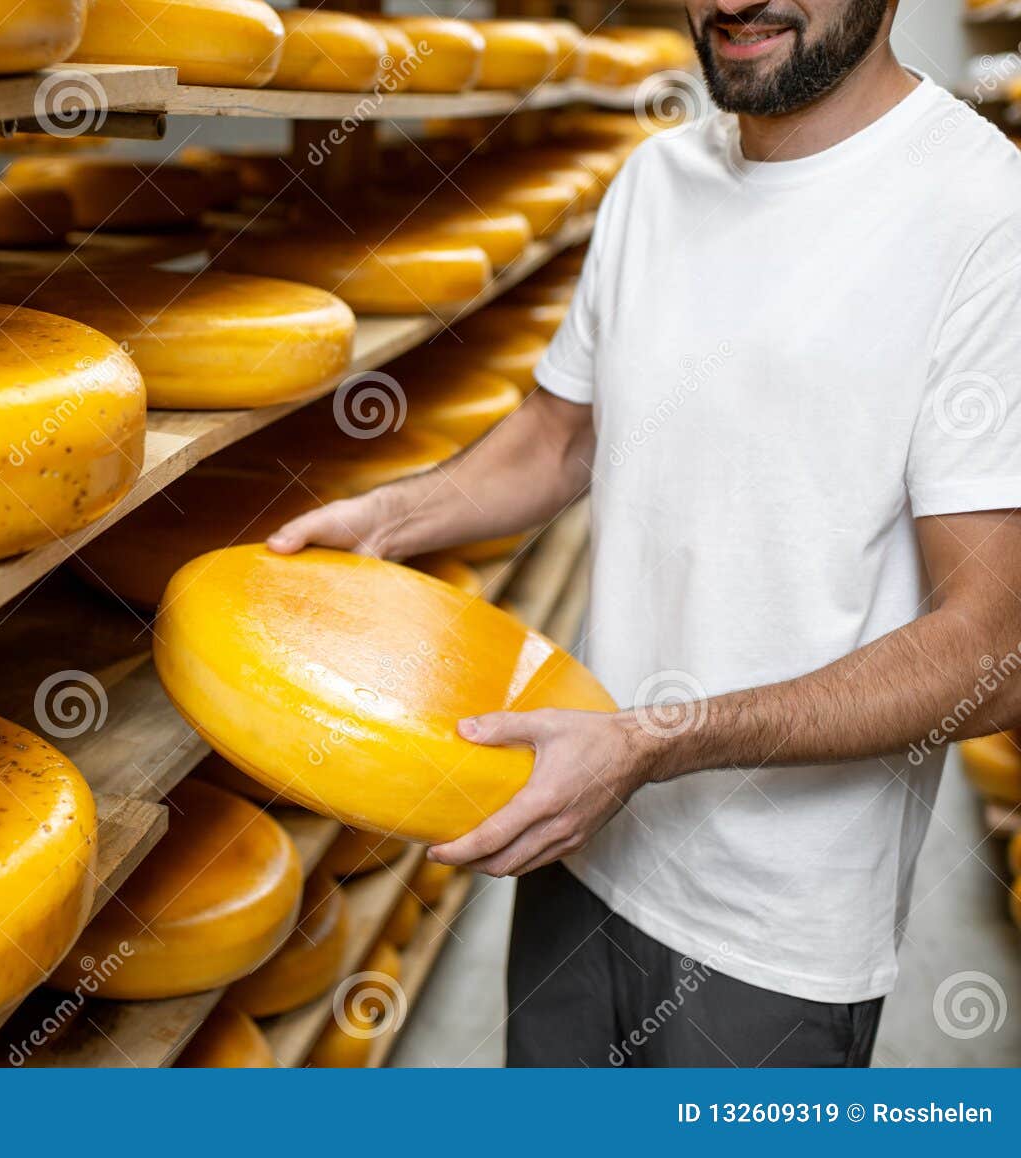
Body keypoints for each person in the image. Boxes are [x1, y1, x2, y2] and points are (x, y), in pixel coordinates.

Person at [267, 0, 1021, 1066]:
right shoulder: (655, 180)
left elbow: (991, 652)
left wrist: (653, 745)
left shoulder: (985, 216)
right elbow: (559, 438)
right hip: (579, 839)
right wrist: (388, 519)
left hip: (774, 931)